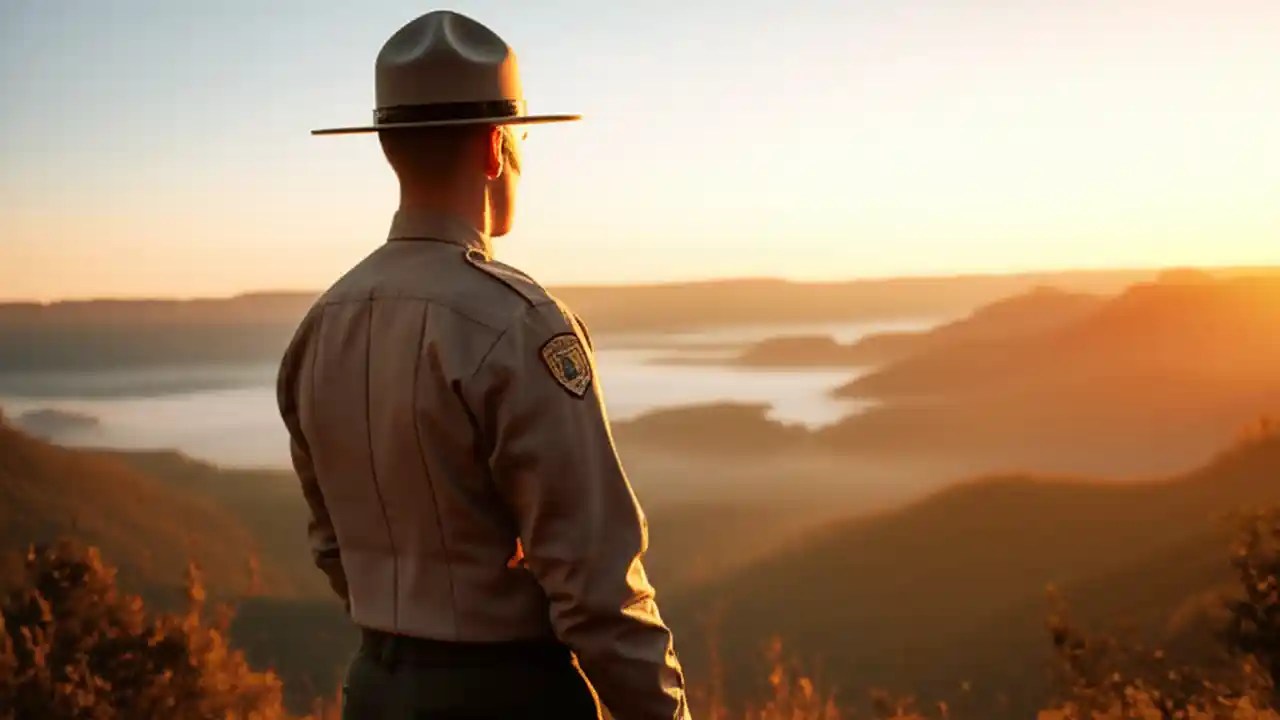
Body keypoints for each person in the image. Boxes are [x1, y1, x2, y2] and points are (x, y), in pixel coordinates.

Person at [277, 9, 690, 720]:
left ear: (387, 147)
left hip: (372, 690)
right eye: (522, 138)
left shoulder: (320, 327)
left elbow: (332, 546)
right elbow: (596, 587)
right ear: (497, 148)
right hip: (507, 697)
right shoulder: (519, 326)